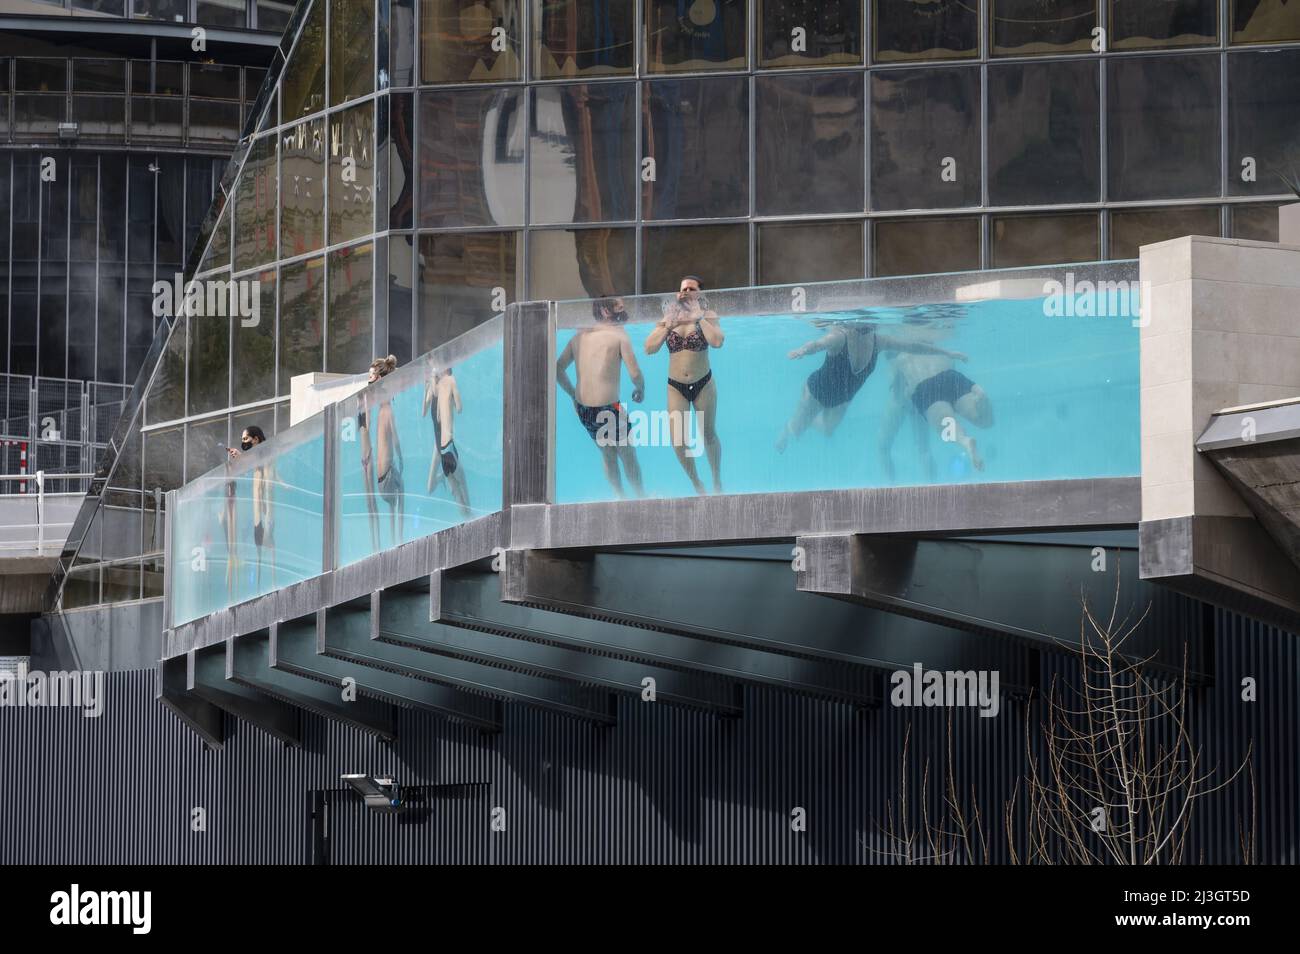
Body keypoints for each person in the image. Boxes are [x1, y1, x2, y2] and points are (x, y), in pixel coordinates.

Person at [775, 321, 966, 453]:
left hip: (842, 400)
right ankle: (788, 428)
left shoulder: (879, 341)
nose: (866, 328)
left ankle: (804, 422)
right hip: (815, 393)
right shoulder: (839, 337)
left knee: (827, 430)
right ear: (852, 324)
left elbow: (913, 346)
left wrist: (947, 352)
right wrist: (803, 350)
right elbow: (818, 344)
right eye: (861, 325)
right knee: (796, 432)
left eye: (869, 325)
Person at [556, 296, 646, 498]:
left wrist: (572, 394)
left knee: (607, 454)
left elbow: (557, 368)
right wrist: (641, 388)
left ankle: (620, 497)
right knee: (627, 455)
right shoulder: (619, 336)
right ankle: (641, 498)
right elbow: (635, 373)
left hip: (583, 408)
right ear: (606, 311)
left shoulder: (578, 337)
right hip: (609, 409)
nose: (624, 313)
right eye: (620, 309)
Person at [643, 276, 724, 494]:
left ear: (700, 293)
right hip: (676, 386)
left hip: (703, 383)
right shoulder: (669, 317)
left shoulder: (708, 315)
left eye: (691, 288)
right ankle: (697, 483)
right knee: (677, 440)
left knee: (708, 434)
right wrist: (666, 326)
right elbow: (648, 348)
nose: (685, 292)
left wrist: (699, 317)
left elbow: (717, 341)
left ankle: (716, 480)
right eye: (682, 289)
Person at [879, 352, 993, 481]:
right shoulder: (932, 348)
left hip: (916, 392)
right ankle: (932, 484)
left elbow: (898, 394)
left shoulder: (898, 356)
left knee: (883, 446)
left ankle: (890, 486)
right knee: (924, 449)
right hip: (947, 378)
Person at [422, 360, 471, 518]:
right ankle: (470, 517)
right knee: (463, 487)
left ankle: (466, 520)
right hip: (446, 446)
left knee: (457, 494)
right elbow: (460, 408)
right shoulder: (447, 383)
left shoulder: (437, 388)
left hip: (442, 450)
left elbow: (428, 412)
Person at [224, 426, 271, 590]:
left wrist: (241, 457)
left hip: (265, 513)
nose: (243, 442)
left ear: (256, 439)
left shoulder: (266, 454)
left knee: (266, 553)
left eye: (246, 439)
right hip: (257, 514)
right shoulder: (256, 459)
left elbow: (259, 465)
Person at [367, 355, 404, 545]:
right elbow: (396, 441)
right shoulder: (387, 411)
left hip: (380, 480)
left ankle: (393, 540)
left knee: (392, 504)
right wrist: (401, 457)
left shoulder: (380, 411)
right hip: (387, 478)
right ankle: (399, 537)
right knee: (402, 491)